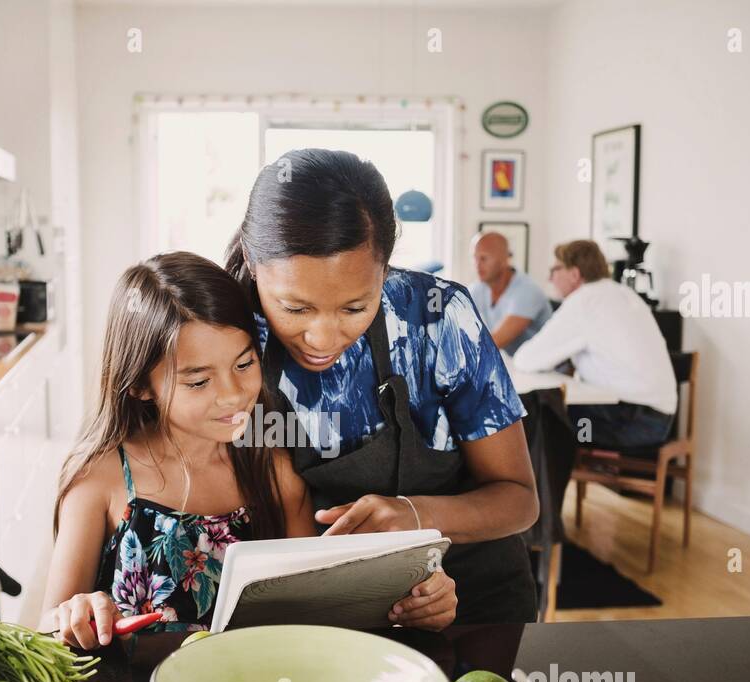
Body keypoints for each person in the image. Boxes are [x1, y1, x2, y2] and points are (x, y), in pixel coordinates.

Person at [41, 252, 459, 648]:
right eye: (198, 381)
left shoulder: (272, 463)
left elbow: (318, 612)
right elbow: (48, 629)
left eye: (244, 365)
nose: (232, 395)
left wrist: (414, 602)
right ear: (139, 386)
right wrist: (73, 615)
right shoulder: (99, 478)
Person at [224, 148, 540, 625]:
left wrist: (414, 515)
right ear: (251, 258)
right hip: (314, 609)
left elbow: (519, 499)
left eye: (354, 307)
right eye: (295, 309)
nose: (323, 339)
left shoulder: (438, 317)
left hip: (473, 599)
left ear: (385, 266)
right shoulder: (225, 337)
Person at [513, 240, 677, 449]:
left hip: (628, 424)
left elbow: (526, 360)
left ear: (574, 273)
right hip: (657, 421)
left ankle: (535, 481)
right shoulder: (622, 293)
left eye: (555, 269)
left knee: (542, 418)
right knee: (550, 414)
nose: (550, 278)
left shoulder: (585, 301)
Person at [468, 231, 552, 355]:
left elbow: (496, 342)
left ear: (504, 259)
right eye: (475, 258)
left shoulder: (527, 291)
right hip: (515, 365)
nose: (477, 265)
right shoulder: (479, 289)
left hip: (546, 369)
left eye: (483, 258)